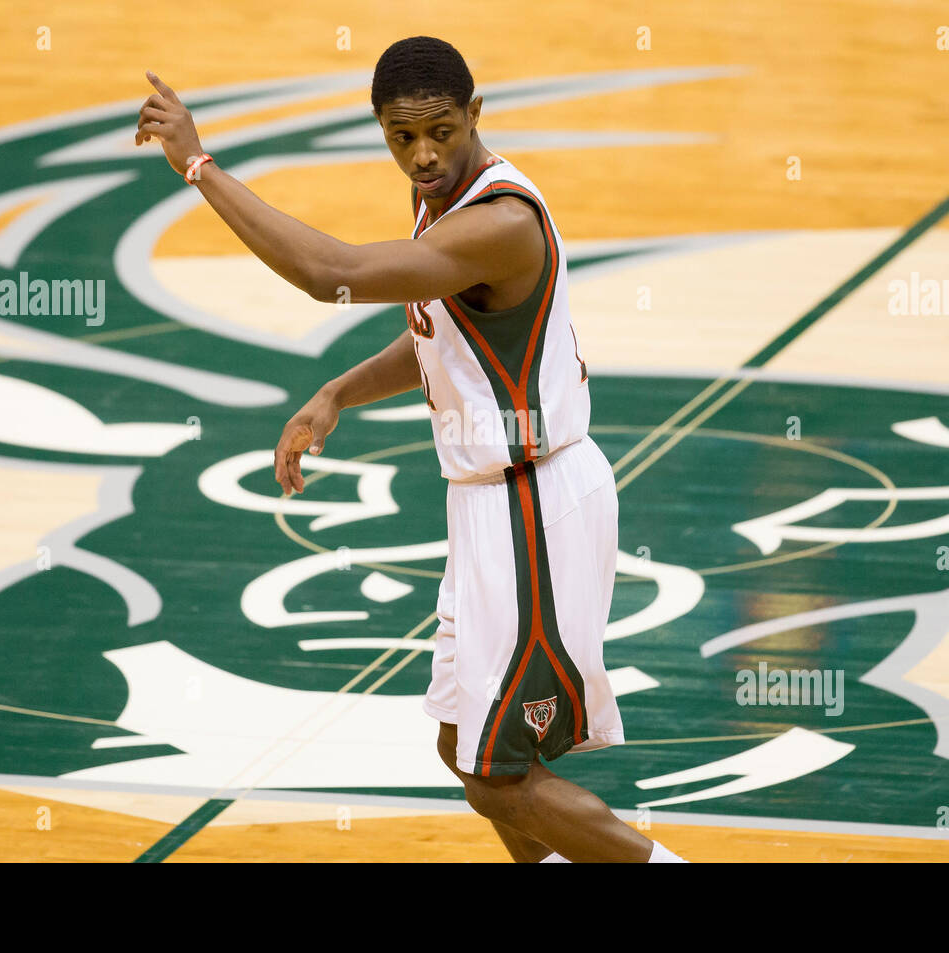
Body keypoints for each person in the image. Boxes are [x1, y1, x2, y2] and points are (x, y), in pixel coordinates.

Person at [136, 35, 685, 863]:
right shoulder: (448, 205)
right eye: (401, 138)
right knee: (462, 744)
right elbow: (444, 336)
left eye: (439, 132)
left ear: (475, 114)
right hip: (490, 501)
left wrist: (198, 167)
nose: (422, 155)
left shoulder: (501, 222)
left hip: (533, 503)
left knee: (498, 773)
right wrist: (338, 393)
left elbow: (333, 273)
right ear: (382, 129)